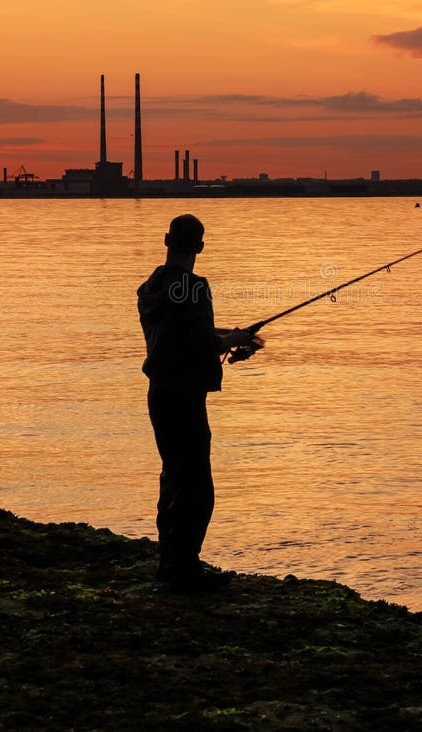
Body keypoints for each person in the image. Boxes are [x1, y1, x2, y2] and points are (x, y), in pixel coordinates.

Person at [137, 214, 260, 593]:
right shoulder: (194, 287)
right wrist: (231, 341)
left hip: (159, 393)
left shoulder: (151, 286)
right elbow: (202, 343)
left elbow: (183, 332)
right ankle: (184, 568)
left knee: (173, 477)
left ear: (166, 240)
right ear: (201, 247)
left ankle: (171, 561)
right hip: (185, 396)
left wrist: (234, 334)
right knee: (196, 488)